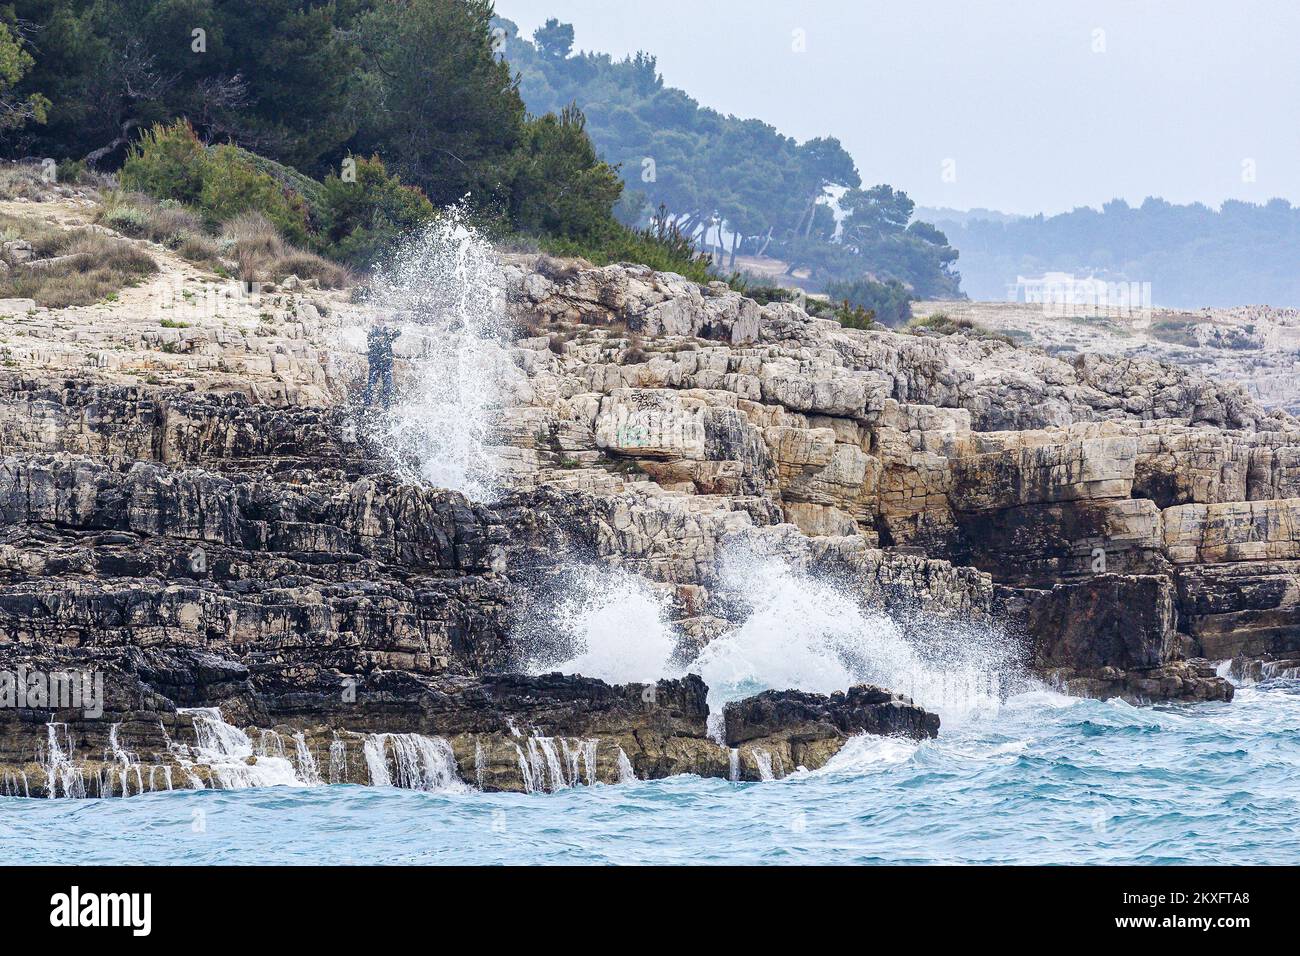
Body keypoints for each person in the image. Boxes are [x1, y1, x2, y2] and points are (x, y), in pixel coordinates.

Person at [365, 315, 399, 408]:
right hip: (375, 362)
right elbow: (370, 345)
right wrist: (379, 343)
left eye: (383, 319)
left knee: (387, 385)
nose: (382, 321)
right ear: (376, 320)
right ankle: (367, 404)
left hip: (386, 363)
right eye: (380, 319)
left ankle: (386, 406)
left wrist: (392, 328)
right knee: (371, 384)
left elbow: (398, 333)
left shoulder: (387, 332)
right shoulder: (372, 331)